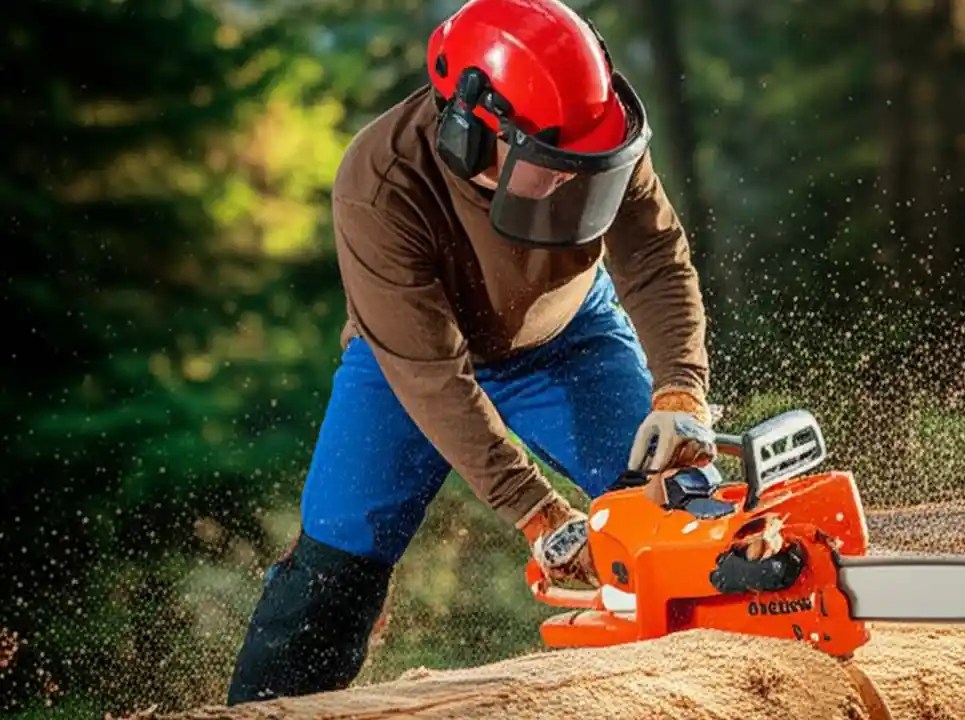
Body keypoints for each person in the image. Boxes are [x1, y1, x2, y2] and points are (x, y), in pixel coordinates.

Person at [225, 0, 717, 705]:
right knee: (330, 574)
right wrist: (543, 517)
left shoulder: (595, 132)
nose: (571, 180)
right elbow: (434, 377)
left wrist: (680, 393)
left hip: (568, 338)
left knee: (679, 509)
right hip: (408, 368)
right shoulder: (381, 181)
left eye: (586, 163)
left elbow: (657, 261)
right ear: (468, 130)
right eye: (550, 164)